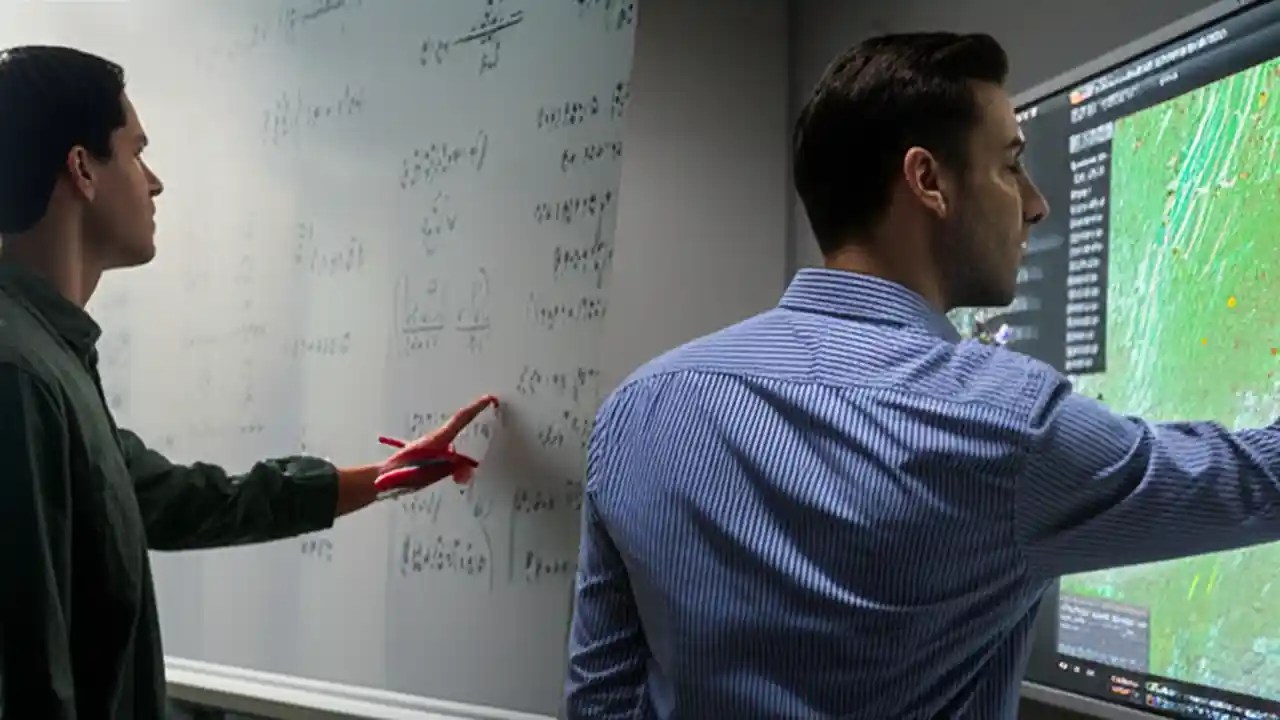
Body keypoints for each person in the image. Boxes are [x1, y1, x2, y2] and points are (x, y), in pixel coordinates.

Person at [565, 31, 1280, 719]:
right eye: (1011, 164)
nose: (1035, 203)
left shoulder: (638, 408)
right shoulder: (1004, 426)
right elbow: (1256, 482)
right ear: (928, 181)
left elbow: (599, 700)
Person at [0, 45, 498, 719]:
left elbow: (181, 500)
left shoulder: (53, 357)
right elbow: (27, 673)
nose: (155, 182)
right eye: (137, 151)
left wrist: (383, 477)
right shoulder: (19, 373)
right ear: (83, 169)